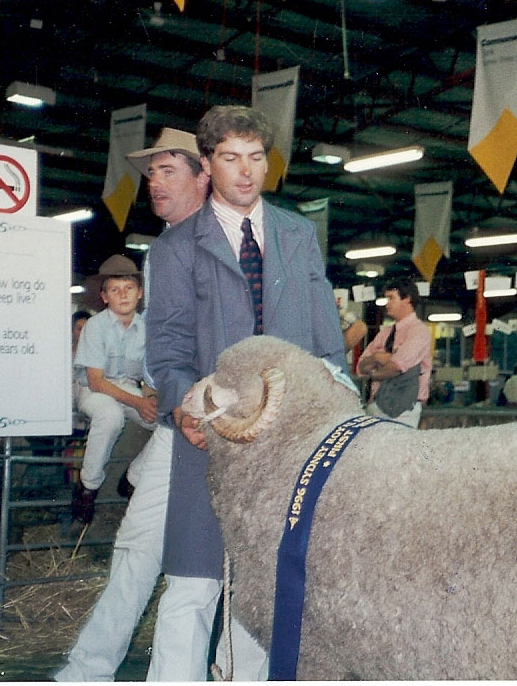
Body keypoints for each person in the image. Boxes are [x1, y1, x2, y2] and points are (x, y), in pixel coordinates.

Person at [144, 105, 344, 680]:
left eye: (256, 158)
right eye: (231, 158)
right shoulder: (177, 248)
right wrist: (187, 407)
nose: (246, 172)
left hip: (289, 442)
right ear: (208, 164)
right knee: (194, 582)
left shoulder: (297, 234)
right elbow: (168, 350)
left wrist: (339, 394)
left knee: (265, 589)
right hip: (211, 435)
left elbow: (326, 336)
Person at [56, 128, 209, 681]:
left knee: (202, 573)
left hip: (213, 424)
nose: (153, 182)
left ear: (202, 175)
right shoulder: (163, 252)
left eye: (167, 170)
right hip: (174, 423)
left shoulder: (224, 247)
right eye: (150, 172)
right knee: (135, 546)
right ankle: (87, 669)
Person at [70, 255, 156, 525]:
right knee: (110, 416)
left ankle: (133, 478)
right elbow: (95, 380)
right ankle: (88, 487)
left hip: (129, 388)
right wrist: (139, 403)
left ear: (140, 293)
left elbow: (150, 377)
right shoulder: (94, 326)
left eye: (129, 288)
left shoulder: (147, 329)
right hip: (95, 391)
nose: (123, 294)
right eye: (115, 289)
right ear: (105, 297)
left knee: (170, 422)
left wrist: (150, 400)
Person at [357, 279, 432, 428]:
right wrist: (379, 358)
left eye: (391, 298)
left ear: (407, 299)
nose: (387, 304)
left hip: (403, 408)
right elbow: (361, 366)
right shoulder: (384, 334)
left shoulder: (419, 332)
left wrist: (375, 371)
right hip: (376, 405)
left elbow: (396, 366)